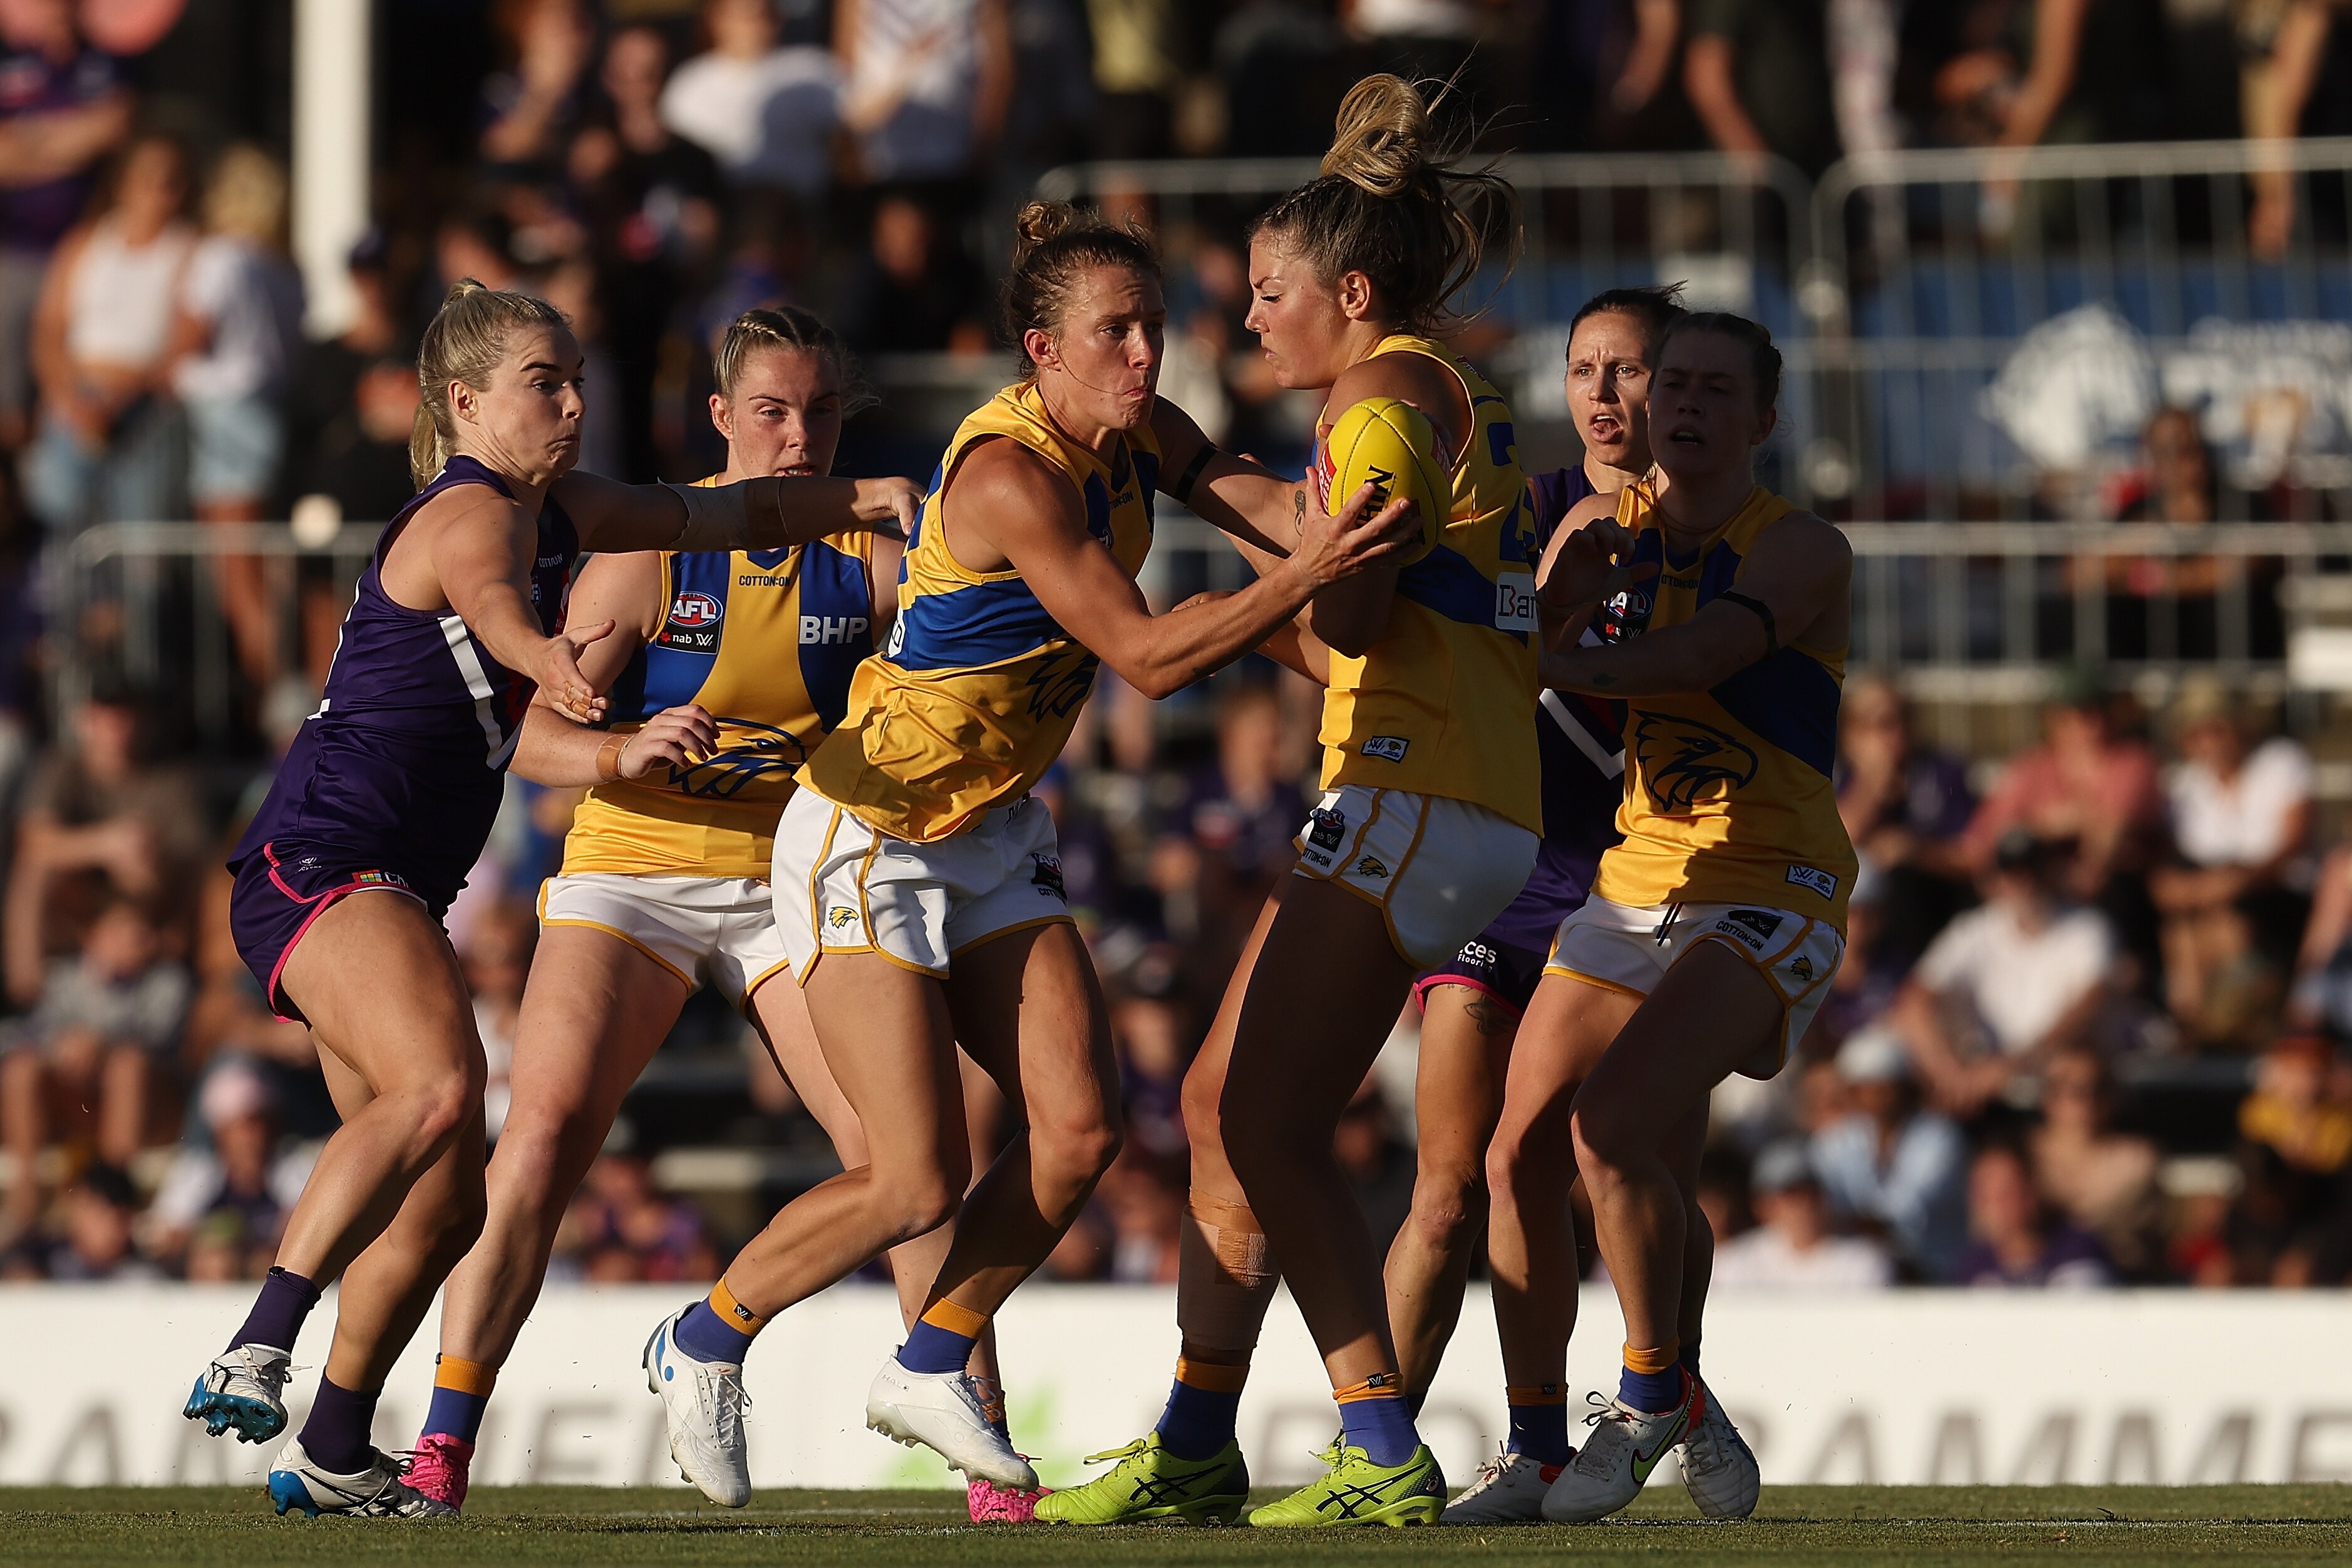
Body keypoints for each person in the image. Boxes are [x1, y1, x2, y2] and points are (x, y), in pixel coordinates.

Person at [640, 199, 1419, 1510]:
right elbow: (1151, 657)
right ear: (1036, 352)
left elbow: (1277, 505)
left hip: (989, 828)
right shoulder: (1008, 473)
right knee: (911, 1174)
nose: (1142, 357)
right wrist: (1305, 583)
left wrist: (1416, 544)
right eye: (1113, 332)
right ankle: (705, 1336)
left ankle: (931, 1356)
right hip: (868, 829)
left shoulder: (1138, 433)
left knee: (1078, 1130)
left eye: (1154, 328)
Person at [178, 278, 922, 1519]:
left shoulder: (564, 503)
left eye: (578, 378)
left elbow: (713, 509)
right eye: (546, 383)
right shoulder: (471, 517)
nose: (574, 403)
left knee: (450, 1186)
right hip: (320, 860)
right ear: (466, 403)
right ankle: (260, 1337)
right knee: (440, 1088)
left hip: (395, 879)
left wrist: (861, 496)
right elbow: (498, 613)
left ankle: (336, 1440)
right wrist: (554, 679)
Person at [395, 306, 1024, 1522]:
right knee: (541, 1136)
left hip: (797, 874)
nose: (800, 439)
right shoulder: (655, 546)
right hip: (632, 870)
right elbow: (524, 734)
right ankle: (441, 1444)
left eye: (823, 413)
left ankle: (978, 1446)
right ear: (723, 419)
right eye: (774, 413)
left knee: (905, 1161)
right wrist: (617, 750)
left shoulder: (883, 555)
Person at [1040, 76, 1539, 1530]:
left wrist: (1265, 595)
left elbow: (1360, 620)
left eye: (1270, 295)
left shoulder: (1378, 405)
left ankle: (1379, 1441)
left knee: (1263, 1122)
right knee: (1212, 1103)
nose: (1250, 317)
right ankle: (1197, 1437)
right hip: (1447, 794)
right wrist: (1220, 511)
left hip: (1413, 784)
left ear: (1350, 293)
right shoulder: (1433, 392)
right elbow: (1354, 589)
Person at [1521, 309, 1855, 1524]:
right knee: (1521, 1151)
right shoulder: (1600, 529)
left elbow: (1702, 653)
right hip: (1633, 881)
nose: (1689, 406)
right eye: (1678, 387)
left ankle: (1646, 1391)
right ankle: (1634, 1409)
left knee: (1613, 1130)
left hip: (1773, 884)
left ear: (1763, 420)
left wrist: (1533, 655)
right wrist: (1550, 612)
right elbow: (1535, 643)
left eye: (1721, 390)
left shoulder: (1804, 546)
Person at [1390, 284, 1686, 1525]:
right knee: (1451, 1183)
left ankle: (1662, 1394)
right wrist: (1552, 590)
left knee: (1598, 1157)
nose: (1606, 396)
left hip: (1633, 884)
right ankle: (1392, 1451)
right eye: (1584, 370)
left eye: (1630, 371)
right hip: (1505, 867)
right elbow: (1483, 656)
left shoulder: (1722, 536)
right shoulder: (1528, 512)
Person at [171, 143, 305, 689]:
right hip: (268, 413)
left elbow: (189, 338)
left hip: (226, 418)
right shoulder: (283, 266)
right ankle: (279, 691)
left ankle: (273, 699)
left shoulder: (221, 257)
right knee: (265, 574)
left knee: (239, 580)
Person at [22, 132, 194, 533]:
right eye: (147, 180)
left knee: (137, 532)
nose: (159, 193)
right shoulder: (85, 244)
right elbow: (49, 327)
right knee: (62, 519)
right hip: (76, 402)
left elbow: (182, 341)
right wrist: (66, 396)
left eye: (171, 181)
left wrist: (122, 400)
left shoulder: (188, 250)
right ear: (124, 184)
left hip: (145, 412)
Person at [1894, 830, 2117, 1119]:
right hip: (1977, 1087)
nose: (2025, 885)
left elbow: (2088, 1005)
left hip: (2049, 1085)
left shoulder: (2087, 929)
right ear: (1996, 881)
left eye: (2032, 872)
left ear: (2050, 873)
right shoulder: (1974, 930)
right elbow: (1914, 1001)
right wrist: (1950, 1074)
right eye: (2013, 875)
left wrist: (2015, 1065)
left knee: (2078, 1072)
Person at [0, 0, 132, 448]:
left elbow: (115, 126)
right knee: (10, 405)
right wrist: (76, 138)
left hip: (86, 253)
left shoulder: (108, 62)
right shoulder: (11, 63)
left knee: (73, 394)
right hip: (16, 254)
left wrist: (32, 142)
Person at [1809, 1023, 1971, 1279]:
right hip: (1858, 1274)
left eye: (1884, 1087)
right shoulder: (1834, 1140)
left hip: (1936, 1273)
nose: (1876, 1097)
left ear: (1905, 1089)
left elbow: (1905, 1212)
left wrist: (1845, 1222)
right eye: (1865, 1088)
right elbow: (1824, 1205)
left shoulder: (1940, 1137)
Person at [661, 0, 842, 203]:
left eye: (764, 14)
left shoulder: (814, 69)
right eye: (744, 15)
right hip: (727, 209)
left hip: (808, 206)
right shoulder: (688, 85)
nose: (756, 24)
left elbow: (850, 134)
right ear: (715, 19)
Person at [1708, 1140, 1894, 1289]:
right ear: (1763, 1206)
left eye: (1813, 1192)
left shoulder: (1864, 1262)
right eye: (1792, 1195)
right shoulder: (1732, 1265)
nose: (1805, 1205)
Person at [1949, 1142, 2113, 1288]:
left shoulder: (2078, 1251)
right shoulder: (1973, 1267)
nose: (1993, 1207)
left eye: (2005, 1193)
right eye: (1984, 1194)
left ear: (2031, 1192)